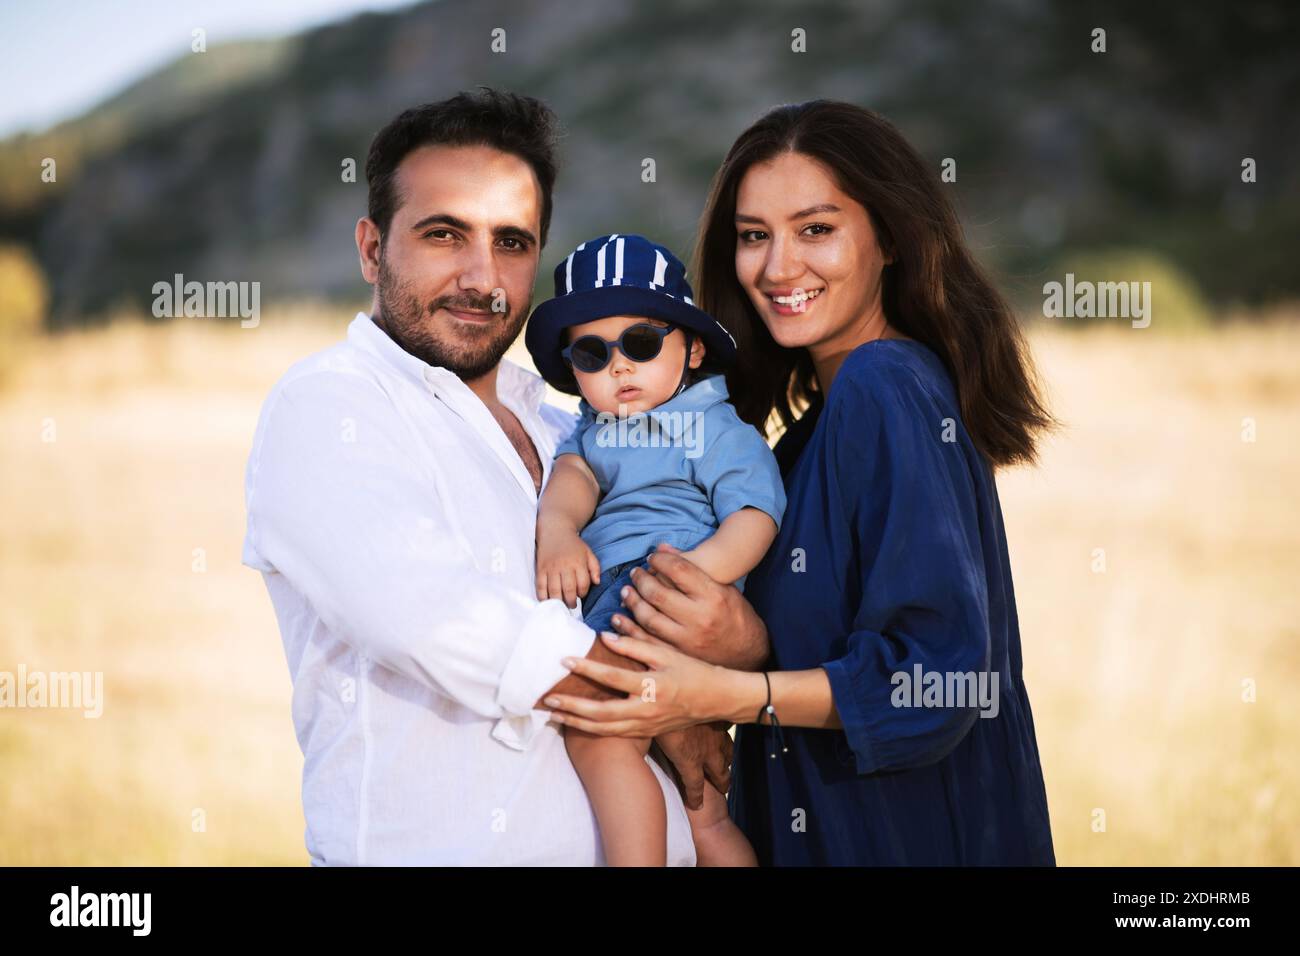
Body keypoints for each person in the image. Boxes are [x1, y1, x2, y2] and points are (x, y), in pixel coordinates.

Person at [541, 100, 1057, 865]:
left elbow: (940, 680)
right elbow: (823, 636)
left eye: (816, 229)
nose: (779, 267)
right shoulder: (806, 432)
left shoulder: (887, 384)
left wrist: (723, 697)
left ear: (889, 237)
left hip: (912, 836)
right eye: (754, 236)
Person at [241, 89, 743, 865]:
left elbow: (705, 601)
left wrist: (727, 654)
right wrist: (662, 704)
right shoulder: (329, 405)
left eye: (511, 243)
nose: (483, 277)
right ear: (373, 249)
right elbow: (434, 614)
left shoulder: (566, 421)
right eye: (445, 234)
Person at [525, 234, 786, 865]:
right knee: (701, 806)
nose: (618, 366)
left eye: (641, 343)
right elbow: (572, 481)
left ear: (693, 348)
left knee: (600, 737)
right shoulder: (593, 430)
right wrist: (557, 533)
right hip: (620, 599)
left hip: (672, 598)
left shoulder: (714, 426)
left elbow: (754, 515)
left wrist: (692, 578)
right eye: (591, 352)